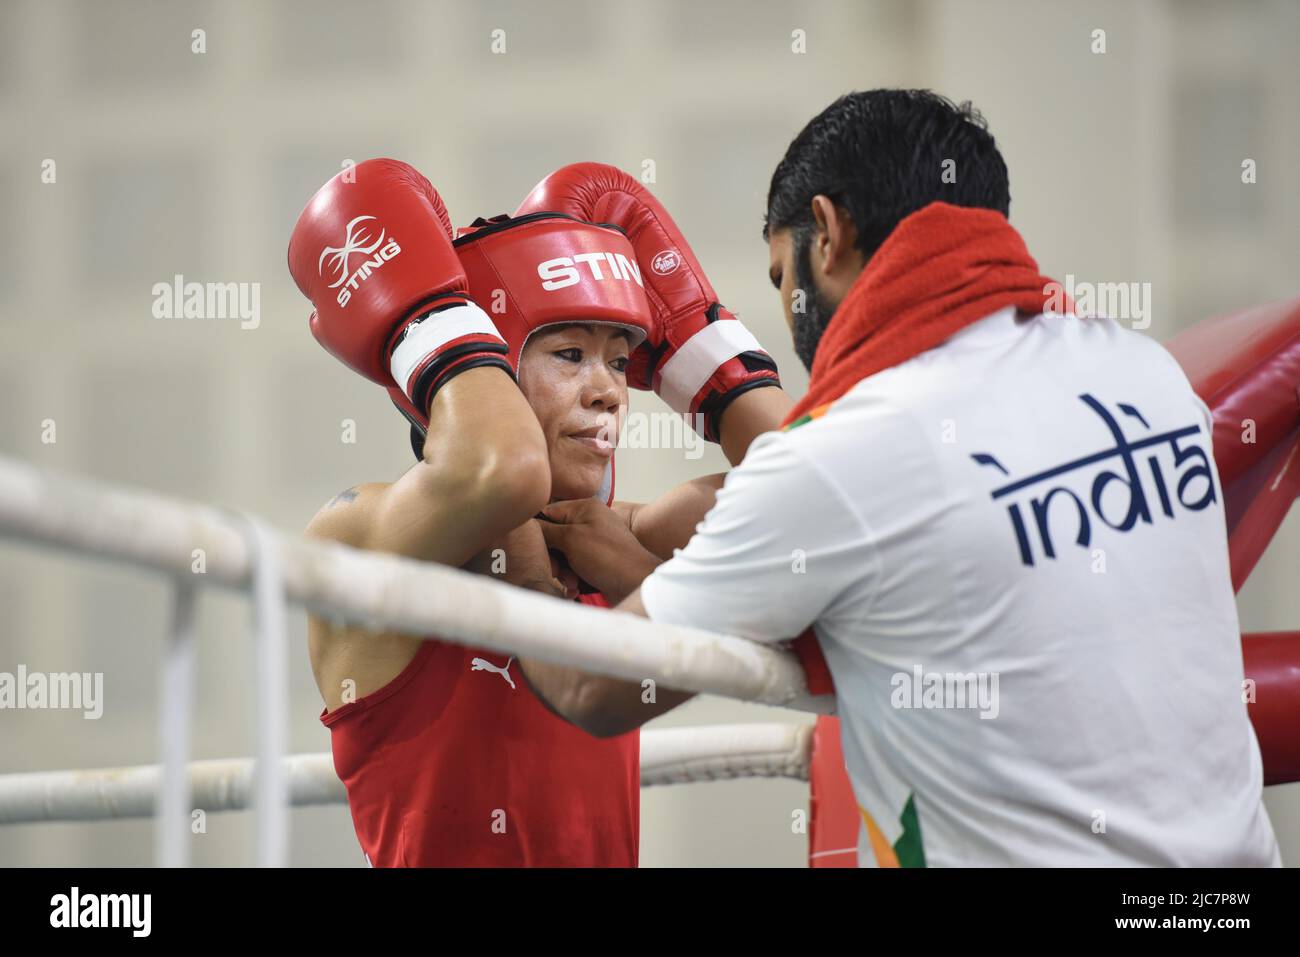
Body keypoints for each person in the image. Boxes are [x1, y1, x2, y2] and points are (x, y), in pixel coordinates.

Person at [528, 90, 1282, 867]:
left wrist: (466, 405)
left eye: (783, 276)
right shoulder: (1143, 372)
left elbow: (592, 687)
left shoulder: (846, 456)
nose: (790, 318)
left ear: (828, 230)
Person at [287, 158, 786, 865]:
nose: (610, 391)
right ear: (485, 368)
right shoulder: (362, 534)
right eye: (570, 353)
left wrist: (709, 361)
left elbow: (809, 492)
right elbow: (497, 469)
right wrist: (436, 331)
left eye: (622, 360)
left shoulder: (609, 534)